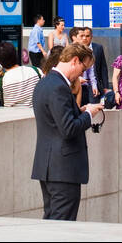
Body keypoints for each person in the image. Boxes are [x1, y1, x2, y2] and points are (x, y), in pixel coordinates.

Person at [31, 42, 105, 220]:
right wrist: (88, 114)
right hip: (62, 169)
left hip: (49, 166)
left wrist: (77, 112)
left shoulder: (44, 83)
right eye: (83, 68)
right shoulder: (59, 87)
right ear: (74, 61)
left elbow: (55, 120)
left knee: (52, 220)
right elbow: (68, 129)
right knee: (62, 224)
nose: (82, 74)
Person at [0, 41, 42, 108]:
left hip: (13, 117)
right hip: (36, 117)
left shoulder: (1, 82)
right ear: (16, 55)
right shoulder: (36, 71)